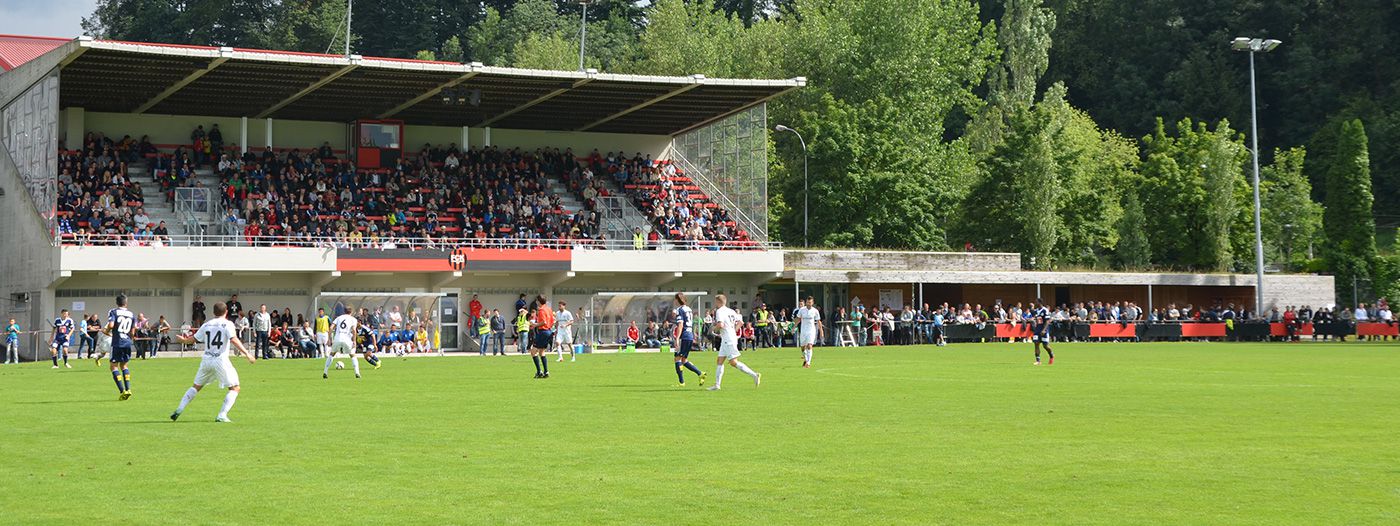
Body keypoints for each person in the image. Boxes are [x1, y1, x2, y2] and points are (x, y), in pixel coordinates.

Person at [171, 302, 256, 423]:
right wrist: (247, 354)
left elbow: (193, 339)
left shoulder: (207, 324)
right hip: (220, 360)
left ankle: (179, 409)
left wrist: (183, 340)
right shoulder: (228, 324)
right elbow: (234, 339)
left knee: (196, 387)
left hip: (206, 360)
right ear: (226, 311)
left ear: (213, 312)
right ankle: (222, 415)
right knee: (235, 388)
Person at [707, 294, 761, 391]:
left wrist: (713, 329)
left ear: (719, 302)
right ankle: (717, 385)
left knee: (733, 362)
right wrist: (733, 330)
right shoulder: (731, 311)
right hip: (728, 338)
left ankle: (754, 375)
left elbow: (721, 324)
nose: (715, 303)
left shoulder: (719, 311)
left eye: (716, 301)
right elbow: (741, 322)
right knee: (719, 361)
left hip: (728, 339)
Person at [670, 292, 706, 387]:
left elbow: (680, 324)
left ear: (677, 300)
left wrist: (677, 338)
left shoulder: (679, 310)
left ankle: (681, 382)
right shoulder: (689, 309)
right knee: (684, 360)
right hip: (689, 335)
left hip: (684, 336)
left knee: (677, 359)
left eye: (675, 299)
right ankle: (700, 373)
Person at [323, 304, 362, 379]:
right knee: (352, 355)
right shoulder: (353, 319)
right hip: (347, 339)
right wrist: (354, 341)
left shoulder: (339, 318)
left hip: (337, 338)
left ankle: (325, 371)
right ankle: (357, 373)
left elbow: (331, 328)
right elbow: (354, 330)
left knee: (332, 354)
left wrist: (329, 339)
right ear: (351, 312)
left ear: (344, 311)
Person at [795, 296, 824, 368]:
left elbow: (818, 321)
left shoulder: (815, 311)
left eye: (810, 302)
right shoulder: (802, 310)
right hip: (803, 330)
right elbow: (798, 319)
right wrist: (793, 327)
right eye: (808, 302)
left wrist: (821, 331)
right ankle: (805, 359)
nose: (809, 304)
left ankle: (808, 363)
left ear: (812, 303)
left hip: (811, 330)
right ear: (806, 302)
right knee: (802, 347)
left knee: (809, 345)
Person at [529, 296, 554, 378]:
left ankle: (539, 371)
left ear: (538, 301)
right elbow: (552, 321)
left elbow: (544, 322)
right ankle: (546, 372)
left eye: (537, 300)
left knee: (533, 351)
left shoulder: (541, 310)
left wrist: (535, 324)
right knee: (541, 352)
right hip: (548, 331)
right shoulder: (549, 309)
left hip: (543, 332)